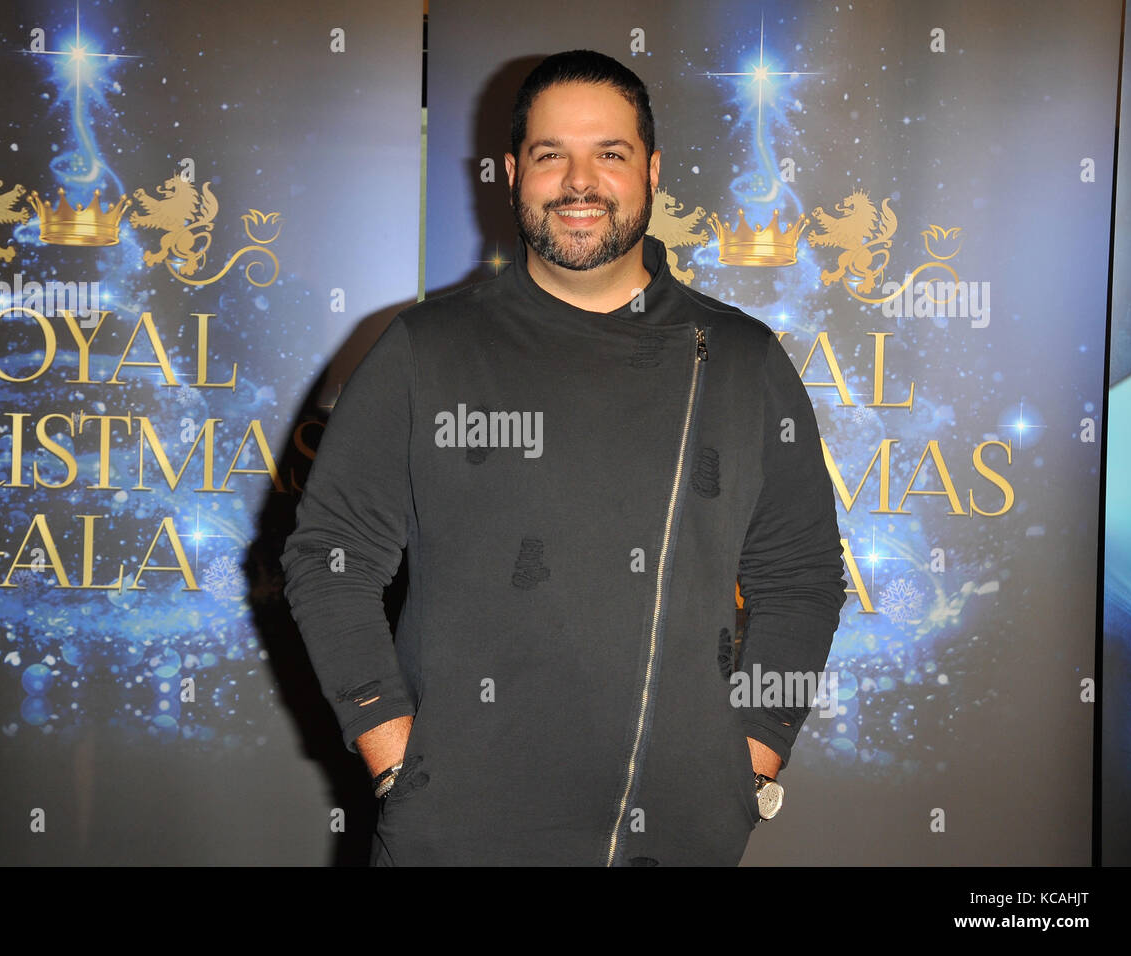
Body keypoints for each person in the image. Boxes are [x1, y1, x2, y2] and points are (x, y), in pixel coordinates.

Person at [280, 49, 847, 866]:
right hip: (456, 835)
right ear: (513, 172)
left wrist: (755, 756)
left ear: (651, 171)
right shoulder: (424, 349)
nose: (580, 182)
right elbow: (330, 559)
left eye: (609, 154)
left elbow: (800, 576)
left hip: (678, 835)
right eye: (552, 155)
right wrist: (391, 752)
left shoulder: (741, 358)